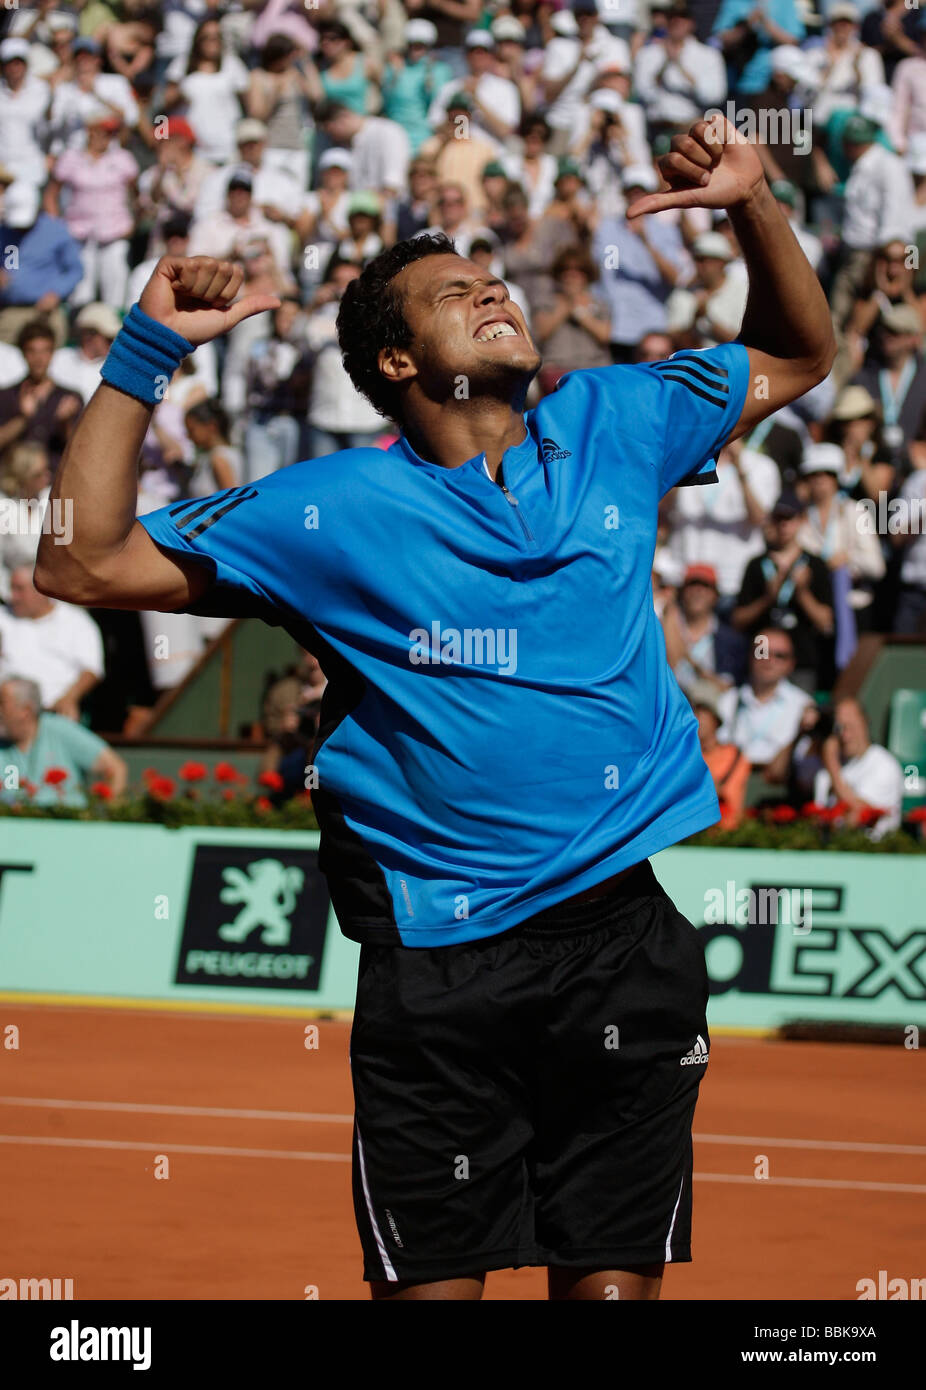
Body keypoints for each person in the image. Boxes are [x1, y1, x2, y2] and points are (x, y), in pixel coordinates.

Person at [36, 113, 837, 1300]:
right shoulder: (326, 509)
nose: (493, 291)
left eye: (493, 278)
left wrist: (751, 203)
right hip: (439, 962)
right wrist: (146, 350)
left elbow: (797, 353)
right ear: (397, 364)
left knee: (611, 1290)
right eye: (453, 292)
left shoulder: (613, 419)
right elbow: (79, 563)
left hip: (626, 941)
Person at [733, 490, 835, 691]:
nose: (784, 525)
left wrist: (803, 593)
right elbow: (738, 620)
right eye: (779, 519)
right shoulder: (756, 565)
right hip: (763, 659)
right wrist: (767, 598)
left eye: (790, 518)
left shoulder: (815, 565)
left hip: (801, 661)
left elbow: (826, 622)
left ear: (802, 520)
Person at [47, 111, 139, 311]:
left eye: (110, 133)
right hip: (79, 234)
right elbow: (51, 194)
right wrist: (57, 226)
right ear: (90, 132)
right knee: (81, 292)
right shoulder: (71, 158)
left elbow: (136, 194)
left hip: (115, 233)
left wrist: (133, 222)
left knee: (115, 289)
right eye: (103, 132)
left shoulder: (123, 159)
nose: (107, 137)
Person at [0, 675, 127, 807]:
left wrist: (105, 818)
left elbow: (116, 768)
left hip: (67, 822)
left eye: (1, 703)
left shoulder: (60, 729)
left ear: (25, 710)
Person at [0, 564, 104, 718]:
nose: (13, 596)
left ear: (41, 590)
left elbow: (92, 670)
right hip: (7, 713)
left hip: (54, 712)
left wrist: (69, 699)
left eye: (20, 589)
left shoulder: (76, 621)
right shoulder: (4, 617)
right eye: (12, 588)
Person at [0, 180, 83, 349]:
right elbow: (9, 264)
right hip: (10, 312)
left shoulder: (57, 230)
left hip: (46, 314)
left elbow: (75, 270)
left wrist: (57, 293)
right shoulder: (5, 233)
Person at [717, 627, 813, 768]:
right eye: (762, 651)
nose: (769, 660)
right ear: (751, 656)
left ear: (791, 663)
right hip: (733, 782)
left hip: (778, 785)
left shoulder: (803, 705)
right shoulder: (727, 701)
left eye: (779, 655)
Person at [161, 15, 249, 166]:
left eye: (216, 37)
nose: (211, 42)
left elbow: (246, 103)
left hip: (227, 145)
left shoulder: (233, 64)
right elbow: (166, 103)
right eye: (206, 37)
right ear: (198, 40)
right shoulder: (182, 64)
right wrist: (180, 95)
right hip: (193, 147)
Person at [813, 696, 904, 836]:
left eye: (849, 726)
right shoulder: (829, 769)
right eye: (839, 728)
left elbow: (861, 814)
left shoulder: (884, 765)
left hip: (873, 852)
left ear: (864, 723)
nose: (844, 735)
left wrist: (831, 762)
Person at [0, 320, 82, 474]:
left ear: (52, 353)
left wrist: (65, 423)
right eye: (32, 351)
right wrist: (22, 419)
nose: (39, 359)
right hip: (12, 486)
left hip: (52, 485)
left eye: (45, 351)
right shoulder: (5, 396)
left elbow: (81, 451)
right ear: (23, 353)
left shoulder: (70, 398)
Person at [662, 563, 747, 694]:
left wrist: (691, 662)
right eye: (692, 585)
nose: (698, 591)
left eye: (705, 586)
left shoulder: (730, 640)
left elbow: (726, 688)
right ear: (682, 592)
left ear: (715, 596)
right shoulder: (664, 626)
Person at [688, 678, 751, 828]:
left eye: (702, 712)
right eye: (692, 712)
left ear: (715, 719)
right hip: (688, 838)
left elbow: (723, 793)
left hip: (725, 836)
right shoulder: (680, 757)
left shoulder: (734, 755)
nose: (696, 718)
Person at [50, 302, 121, 405]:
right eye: (108, 339)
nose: (113, 343)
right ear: (88, 335)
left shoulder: (115, 370)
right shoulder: (58, 359)